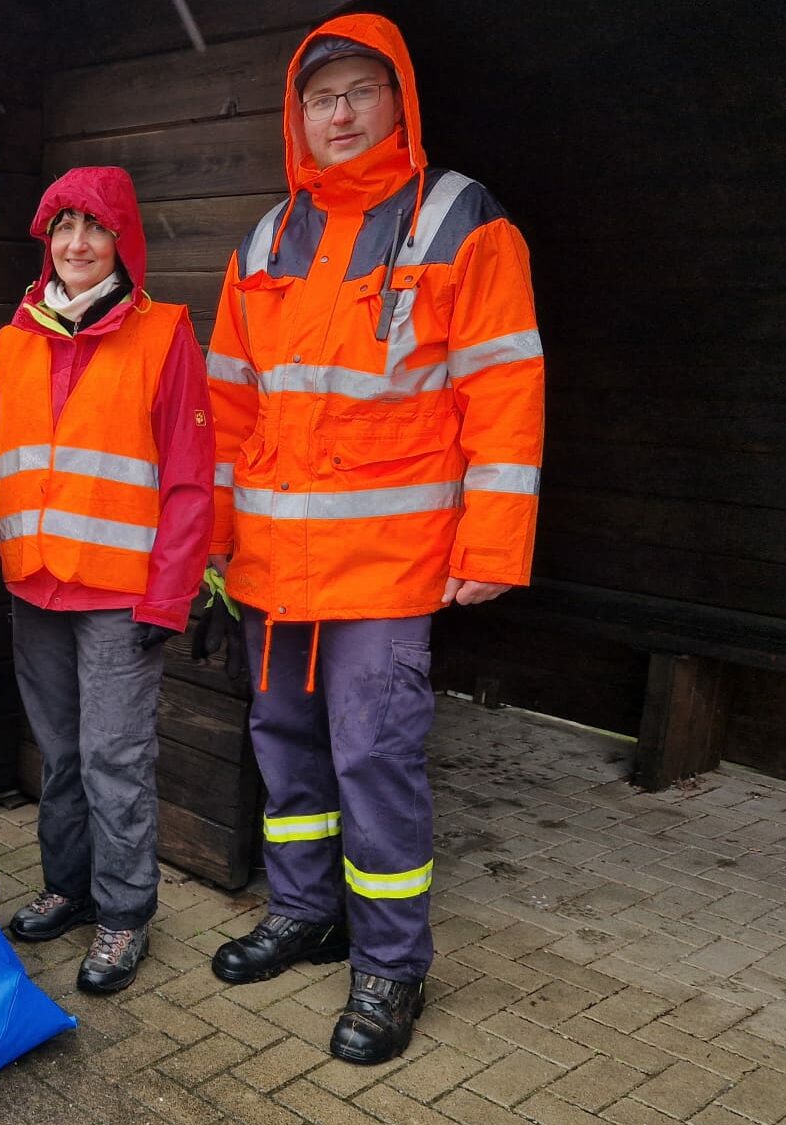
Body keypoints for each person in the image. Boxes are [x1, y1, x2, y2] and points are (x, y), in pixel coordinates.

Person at [203, 14, 546, 1065]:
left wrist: (491, 544)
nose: (340, 113)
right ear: (294, 114)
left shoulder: (459, 220)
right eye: (321, 97)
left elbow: (503, 389)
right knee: (285, 749)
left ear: (399, 100)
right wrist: (215, 541)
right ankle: (304, 912)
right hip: (272, 564)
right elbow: (228, 408)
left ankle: (389, 965)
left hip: (388, 570)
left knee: (376, 762)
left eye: (360, 91)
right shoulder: (265, 241)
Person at [0, 166, 213, 994]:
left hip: (120, 594)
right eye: (63, 226)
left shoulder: (163, 333)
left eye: (94, 227)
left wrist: (170, 592)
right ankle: (68, 886)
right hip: (35, 586)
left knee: (115, 757)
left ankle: (124, 912)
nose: (76, 243)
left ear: (122, 240)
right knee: (64, 754)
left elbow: (190, 475)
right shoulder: (17, 336)